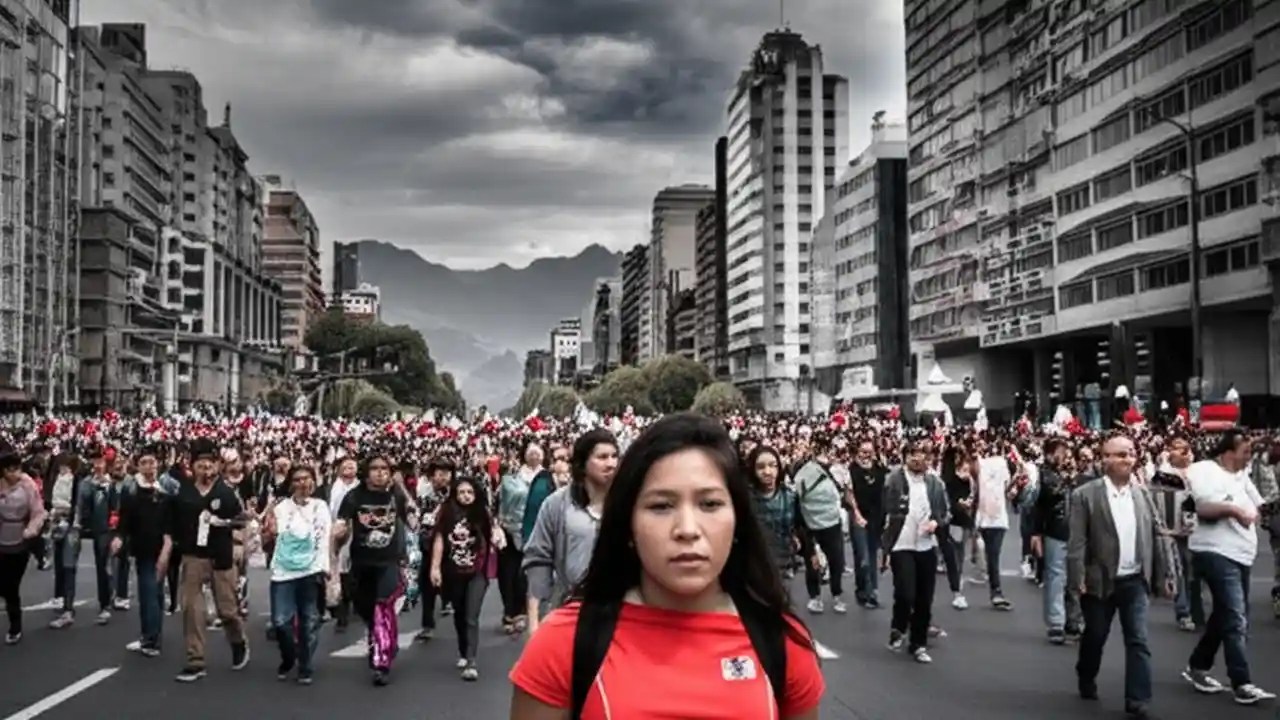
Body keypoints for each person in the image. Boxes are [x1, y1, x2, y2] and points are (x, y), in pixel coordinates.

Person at [509, 412, 824, 719]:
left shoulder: (783, 645)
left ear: (738, 519)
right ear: (628, 523)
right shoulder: (563, 643)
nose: (687, 528)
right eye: (661, 506)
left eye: (710, 504)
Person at [1068, 434, 1173, 719]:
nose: (1128, 459)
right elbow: (1077, 542)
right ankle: (1086, 674)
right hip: (1100, 581)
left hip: (1135, 580)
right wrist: (1076, 578)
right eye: (1120, 454)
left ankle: (1138, 698)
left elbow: (1156, 534)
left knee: (1138, 639)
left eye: (1130, 453)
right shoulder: (1084, 496)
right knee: (1096, 636)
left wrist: (1165, 573)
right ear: (1105, 460)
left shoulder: (1142, 493)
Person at [1180, 430, 1275, 704]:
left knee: (1225, 615)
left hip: (1241, 553)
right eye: (1244, 451)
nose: (1249, 456)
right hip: (1214, 552)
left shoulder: (1242, 476)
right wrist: (1233, 510)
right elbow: (1203, 507)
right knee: (1236, 618)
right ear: (1228, 452)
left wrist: (1256, 511)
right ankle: (1241, 682)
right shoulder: (1204, 470)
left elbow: (1259, 505)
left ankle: (1198, 665)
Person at [523, 429, 619, 632]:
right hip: (571, 609)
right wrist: (535, 623)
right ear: (583, 463)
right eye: (602, 457)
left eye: (614, 456)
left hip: (621, 613)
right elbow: (538, 560)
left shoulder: (631, 502)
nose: (611, 463)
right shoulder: (557, 504)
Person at [171, 438, 250, 682]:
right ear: (193, 467)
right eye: (201, 466)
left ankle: (237, 640)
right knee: (191, 608)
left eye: (210, 466)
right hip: (193, 554)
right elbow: (174, 522)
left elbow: (242, 520)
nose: (206, 471)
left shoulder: (225, 493)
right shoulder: (184, 491)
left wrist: (224, 524)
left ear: (217, 467)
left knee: (227, 610)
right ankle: (195, 660)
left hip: (221, 555)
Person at [333, 454, 415, 686]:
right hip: (361, 564)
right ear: (365, 472)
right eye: (375, 468)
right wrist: (333, 555)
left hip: (388, 562)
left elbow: (413, 520)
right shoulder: (354, 497)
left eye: (385, 468)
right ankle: (384, 639)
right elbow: (342, 527)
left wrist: (400, 487)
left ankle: (381, 662)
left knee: (383, 606)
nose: (380, 472)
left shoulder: (395, 495)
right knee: (367, 610)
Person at [882, 437, 949, 664]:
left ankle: (918, 643)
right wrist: (884, 546)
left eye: (921, 453)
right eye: (912, 453)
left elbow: (945, 512)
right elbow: (884, 509)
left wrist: (936, 524)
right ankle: (898, 625)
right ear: (905, 456)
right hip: (901, 544)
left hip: (925, 545)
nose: (917, 457)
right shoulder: (894, 479)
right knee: (905, 593)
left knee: (924, 598)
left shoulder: (935, 484)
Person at [262, 465, 331, 685]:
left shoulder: (320, 507)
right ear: (291, 484)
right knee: (281, 622)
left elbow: (325, 538)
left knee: (309, 621)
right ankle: (289, 656)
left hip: (310, 571)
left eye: (307, 479)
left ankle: (305, 665)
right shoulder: (281, 508)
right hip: (283, 572)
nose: (303, 484)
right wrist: (268, 529)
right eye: (298, 479)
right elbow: (270, 536)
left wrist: (326, 568)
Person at [429, 476, 497, 681]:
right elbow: (439, 539)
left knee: (471, 614)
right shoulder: (447, 512)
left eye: (469, 492)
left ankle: (471, 660)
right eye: (461, 492)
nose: (465, 496)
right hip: (453, 571)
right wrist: (435, 567)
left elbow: (492, 533)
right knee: (459, 611)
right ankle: (463, 649)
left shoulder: (482, 512)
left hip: (478, 570)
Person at [110, 444, 174, 657]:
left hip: (159, 549)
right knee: (151, 594)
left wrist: (167, 549)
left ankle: (151, 640)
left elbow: (168, 525)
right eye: (144, 463)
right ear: (137, 466)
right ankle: (151, 635)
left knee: (151, 594)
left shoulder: (164, 493)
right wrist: (119, 538)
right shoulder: (132, 492)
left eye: (152, 463)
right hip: (142, 549)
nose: (149, 467)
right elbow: (124, 521)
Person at [0, 441, 46, 644]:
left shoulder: (28, 485)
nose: (14, 473)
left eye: (17, 468)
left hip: (20, 539)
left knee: (11, 586)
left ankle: (15, 626)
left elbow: (38, 511)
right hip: (1, 536)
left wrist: (32, 530)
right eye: (10, 469)